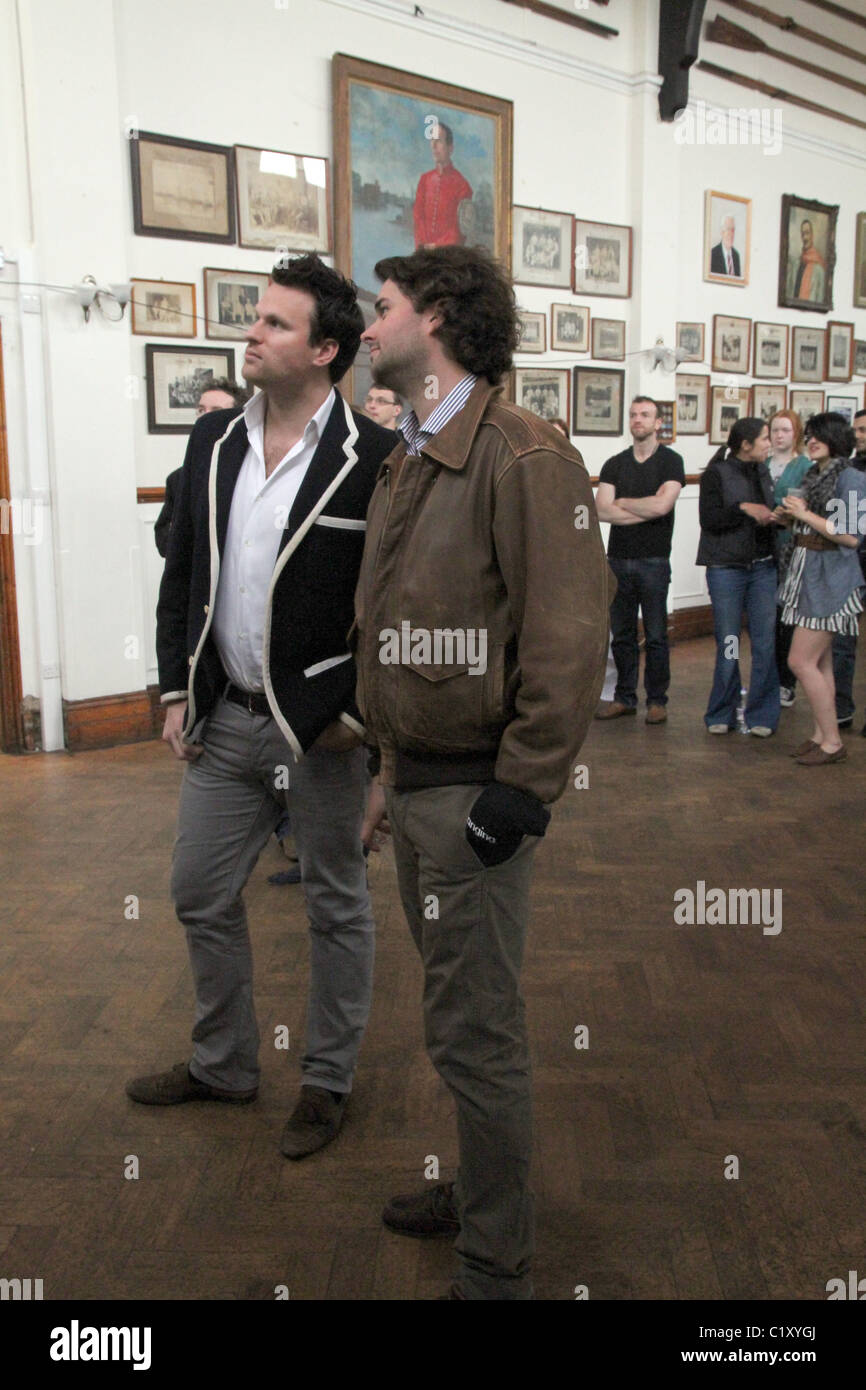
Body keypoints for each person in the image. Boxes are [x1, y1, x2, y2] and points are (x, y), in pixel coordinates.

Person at [355, 245, 612, 1300]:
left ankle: (494, 1259)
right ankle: (479, 1192)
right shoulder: (412, 452)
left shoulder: (521, 453)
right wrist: (384, 768)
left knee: (477, 1030)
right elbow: (392, 628)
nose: (368, 329)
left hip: (474, 795)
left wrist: (523, 789)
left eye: (381, 308)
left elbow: (566, 631)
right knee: (455, 1019)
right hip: (417, 780)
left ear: (439, 316)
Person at [127, 255, 395, 1161]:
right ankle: (225, 1065)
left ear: (326, 350)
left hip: (320, 734)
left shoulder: (379, 461)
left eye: (275, 324)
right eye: (256, 318)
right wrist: (175, 687)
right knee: (197, 892)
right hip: (225, 719)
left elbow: (393, 609)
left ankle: (326, 1080)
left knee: (335, 904)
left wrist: (359, 727)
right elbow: (182, 575)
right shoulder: (213, 444)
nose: (252, 332)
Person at [777, 413, 866, 765]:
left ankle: (832, 742)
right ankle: (820, 735)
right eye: (809, 436)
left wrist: (805, 514)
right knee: (820, 661)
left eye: (819, 436)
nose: (811, 442)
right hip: (809, 573)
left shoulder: (851, 478)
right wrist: (791, 516)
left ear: (836, 439)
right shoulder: (815, 474)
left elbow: (850, 535)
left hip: (831, 578)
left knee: (799, 660)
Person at [594, 397, 685, 724]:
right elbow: (602, 510)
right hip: (618, 560)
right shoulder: (614, 464)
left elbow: (663, 507)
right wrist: (645, 509)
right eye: (633, 415)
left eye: (645, 415)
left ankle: (657, 700)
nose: (638, 420)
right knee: (621, 635)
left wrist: (625, 503)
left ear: (658, 423)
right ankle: (624, 696)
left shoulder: (671, 462)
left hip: (654, 561)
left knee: (658, 635)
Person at [697, 417, 780, 737]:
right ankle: (722, 710)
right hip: (727, 569)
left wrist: (776, 516)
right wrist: (745, 507)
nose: (768, 444)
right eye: (764, 439)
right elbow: (711, 519)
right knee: (729, 642)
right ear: (745, 445)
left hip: (763, 568)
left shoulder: (763, 470)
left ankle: (762, 714)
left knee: (764, 643)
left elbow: (764, 515)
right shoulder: (717, 474)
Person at [154, 380, 251, 557]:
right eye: (201, 410)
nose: (205, 417)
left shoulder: (251, 470)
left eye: (216, 410)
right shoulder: (178, 478)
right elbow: (164, 540)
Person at [766, 410, 811, 707]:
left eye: (785, 430)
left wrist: (780, 510)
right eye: (774, 430)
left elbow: (800, 504)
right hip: (762, 544)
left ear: (795, 433)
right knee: (766, 616)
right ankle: (767, 678)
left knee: (786, 615)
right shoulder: (762, 463)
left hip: (790, 546)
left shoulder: (804, 466)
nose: (779, 435)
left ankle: (786, 680)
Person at [831, 408, 866, 733]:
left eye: (864, 430)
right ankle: (841, 708)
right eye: (856, 430)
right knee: (843, 641)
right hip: (851, 562)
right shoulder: (847, 471)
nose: (859, 435)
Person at [413, 121, 473, 249]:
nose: (433, 145)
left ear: (450, 148)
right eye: (432, 140)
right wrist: (422, 247)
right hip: (423, 255)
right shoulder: (425, 180)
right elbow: (418, 218)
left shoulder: (462, 185)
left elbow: (460, 231)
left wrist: (435, 247)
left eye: (439, 141)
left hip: (448, 257)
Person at [787, 218, 825, 304]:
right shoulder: (796, 265)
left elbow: (820, 300)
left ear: (812, 235)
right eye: (803, 234)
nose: (805, 237)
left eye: (807, 233)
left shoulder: (819, 270)